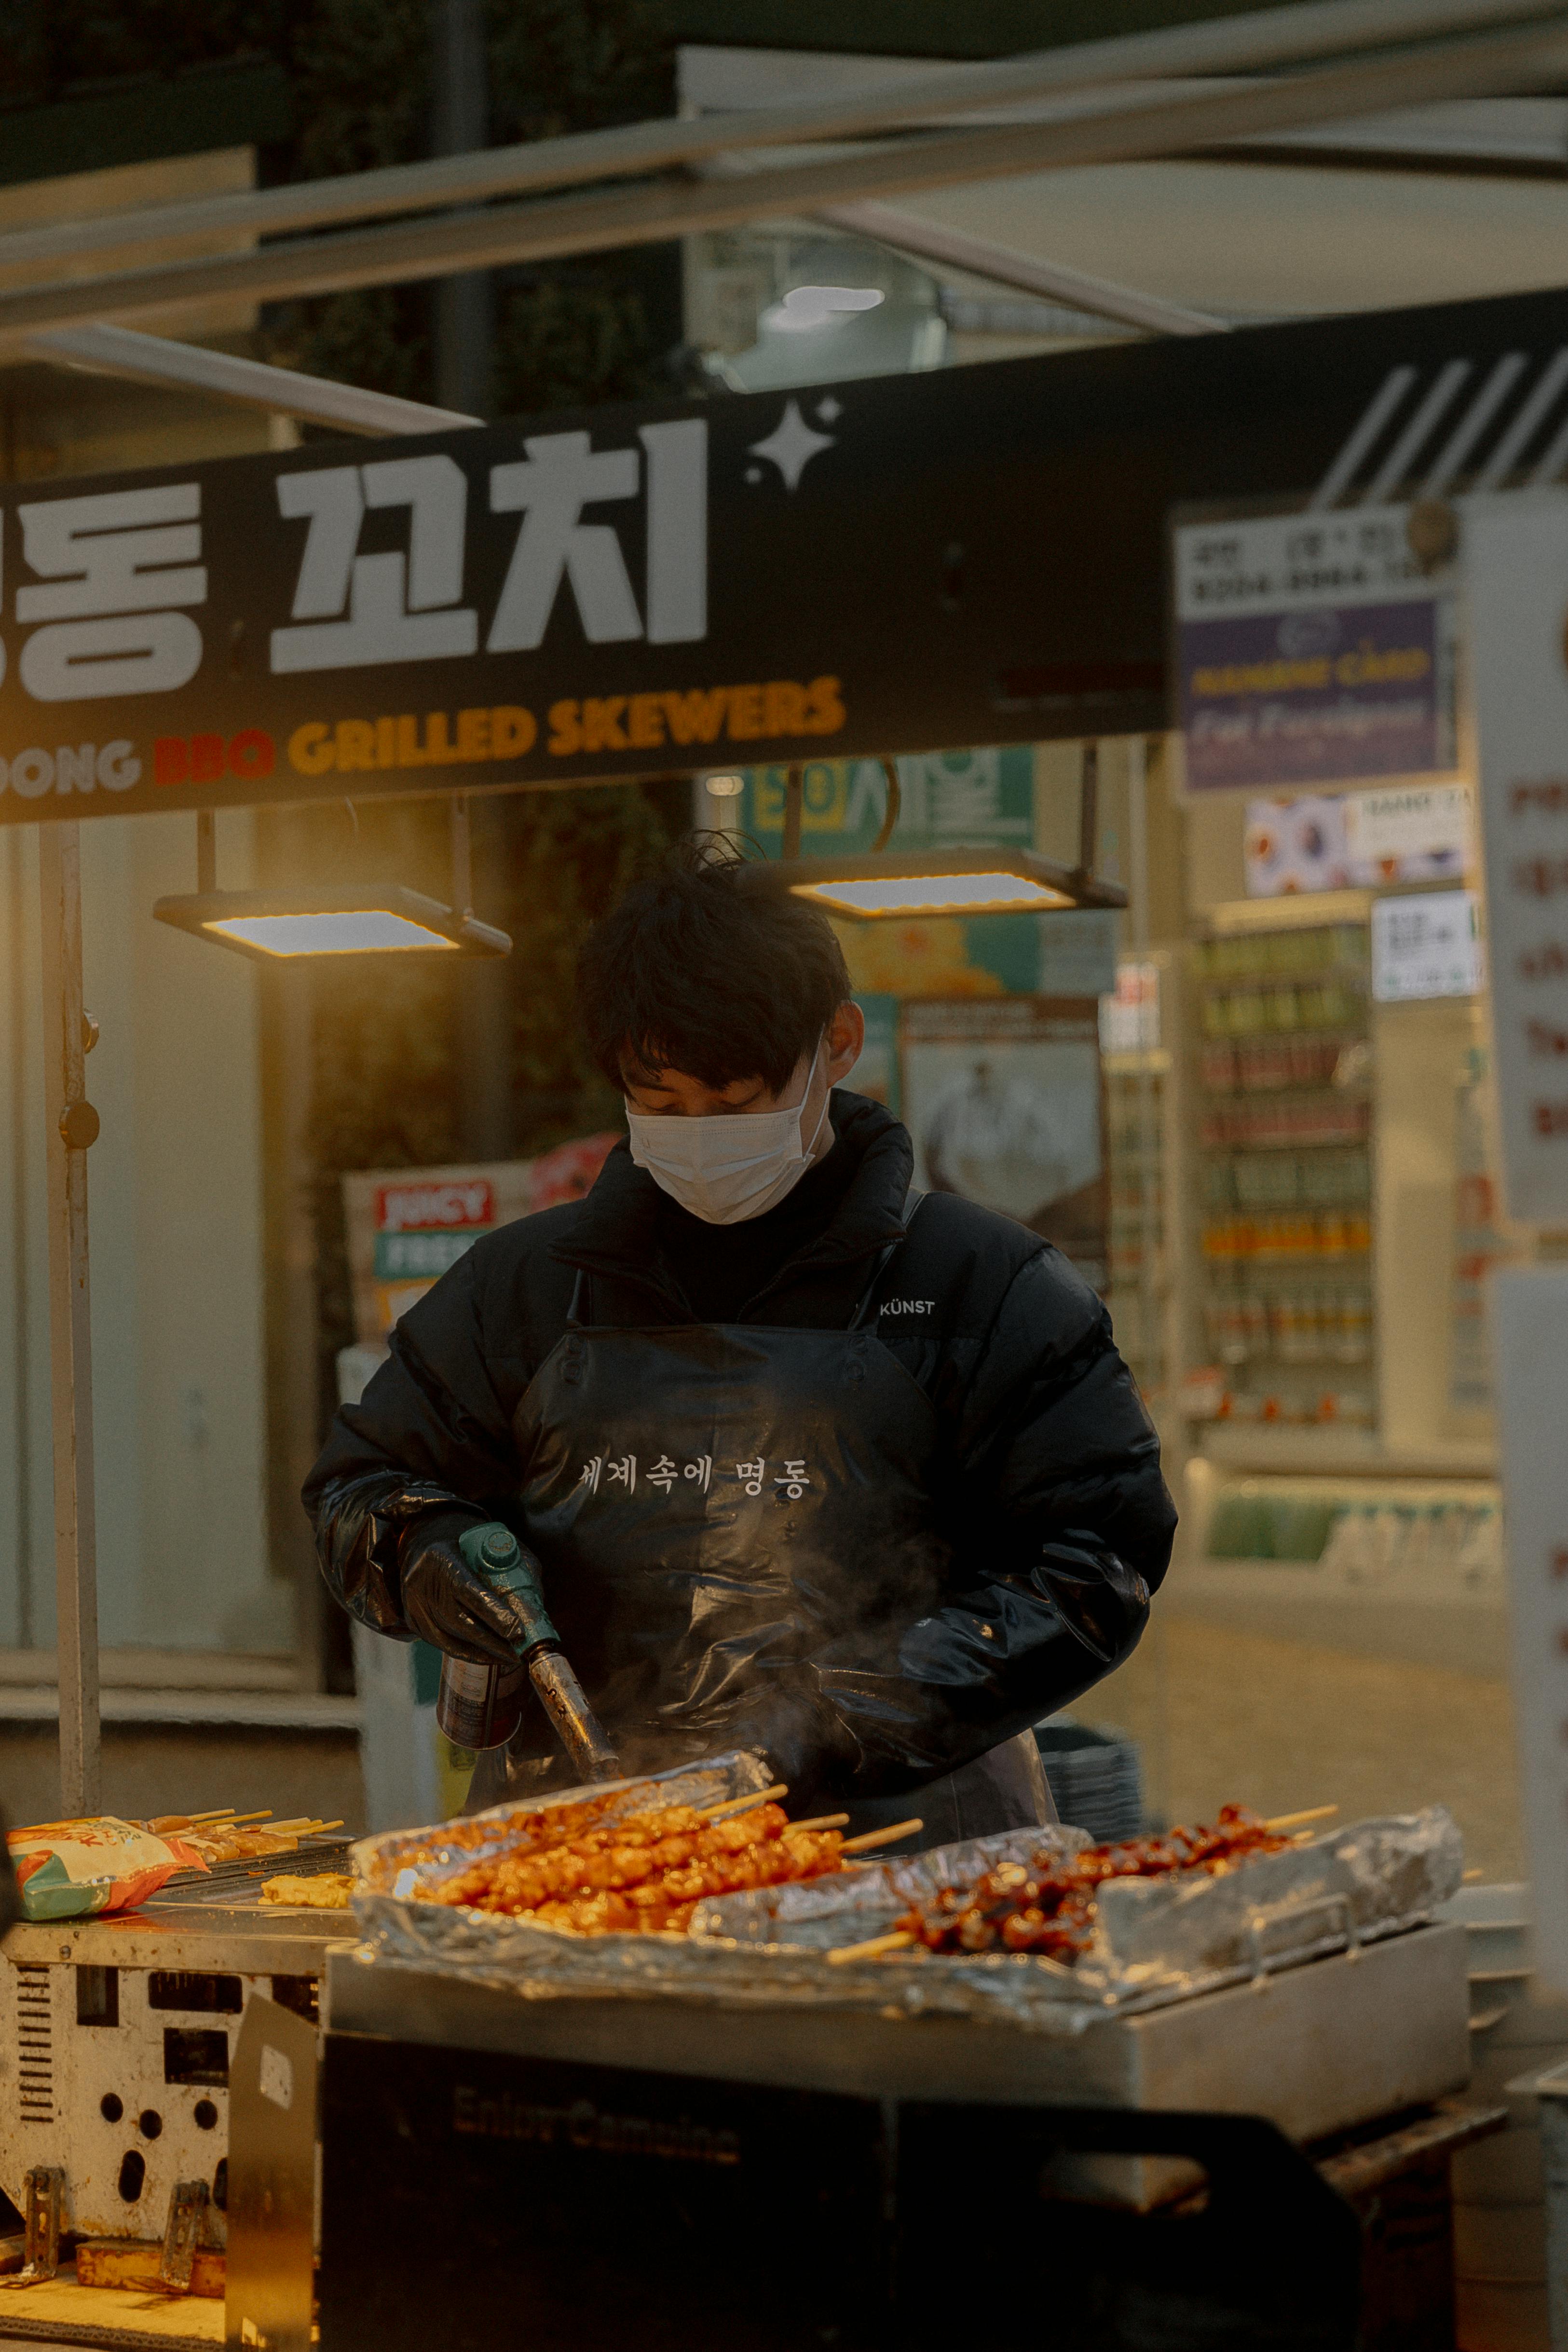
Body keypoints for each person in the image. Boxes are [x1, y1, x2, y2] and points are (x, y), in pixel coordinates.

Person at [304, 843, 1176, 1843]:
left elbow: (1098, 1552)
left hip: (905, 1856)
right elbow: (360, 1488)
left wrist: (832, 1721)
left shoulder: (977, 1283)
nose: (701, 1136)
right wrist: (427, 1556)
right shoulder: (525, 1288)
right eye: (663, 1104)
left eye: (736, 1103)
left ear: (837, 1042)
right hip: (588, 1852)